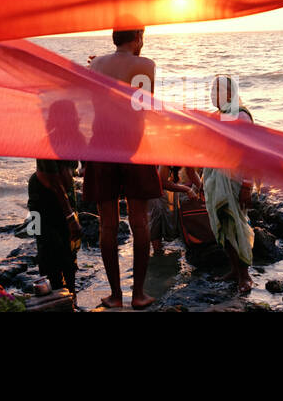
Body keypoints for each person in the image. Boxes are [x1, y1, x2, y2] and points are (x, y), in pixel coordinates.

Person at [85, 28, 160, 309]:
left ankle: (115, 296)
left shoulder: (95, 64)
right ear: (138, 38)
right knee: (139, 222)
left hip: (100, 146)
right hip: (133, 147)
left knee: (107, 224)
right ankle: (138, 295)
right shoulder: (146, 65)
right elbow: (144, 106)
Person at [202, 76, 257, 292]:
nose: (212, 94)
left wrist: (247, 184)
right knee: (223, 224)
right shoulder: (218, 116)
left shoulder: (241, 115)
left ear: (229, 93)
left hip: (235, 181)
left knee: (237, 225)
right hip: (217, 179)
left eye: (217, 90)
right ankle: (234, 270)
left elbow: (251, 152)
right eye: (211, 90)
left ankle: (245, 276)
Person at [28, 158, 82, 294]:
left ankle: (71, 295)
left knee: (69, 248)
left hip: (67, 191)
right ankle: (55, 294)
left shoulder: (73, 139)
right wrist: (70, 217)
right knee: (48, 247)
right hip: (40, 196)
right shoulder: (46, 145)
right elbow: (54, 183)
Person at [149, 165, 199, 256]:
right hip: (153, 185)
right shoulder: (167, 154)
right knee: (156, 218)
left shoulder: (188, 153)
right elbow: (162, 182)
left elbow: (191, 172)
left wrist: (202, 189)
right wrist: (188, 190)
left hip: (169, 185)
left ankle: (164, 251)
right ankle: (158, 253)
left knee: (170, 217)